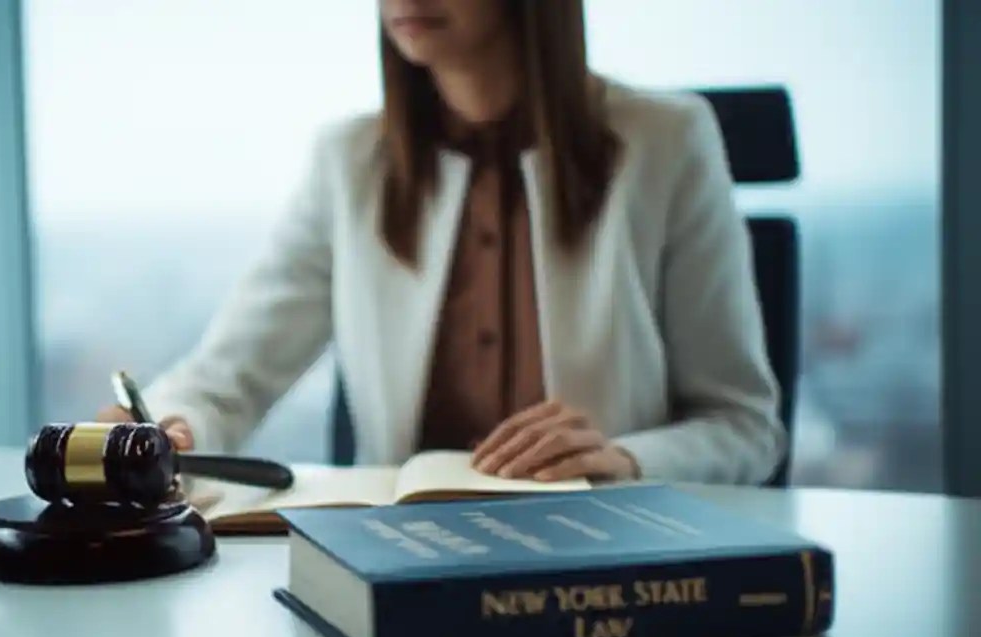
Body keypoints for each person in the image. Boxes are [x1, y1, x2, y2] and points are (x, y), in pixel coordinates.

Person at [98, 0, 785, 486]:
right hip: (402, 560)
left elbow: (744, 428)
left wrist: (626, 461)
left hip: (609, 553)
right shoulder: (350, 161)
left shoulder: (667, 141)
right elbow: (227, 378)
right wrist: (167, 429)